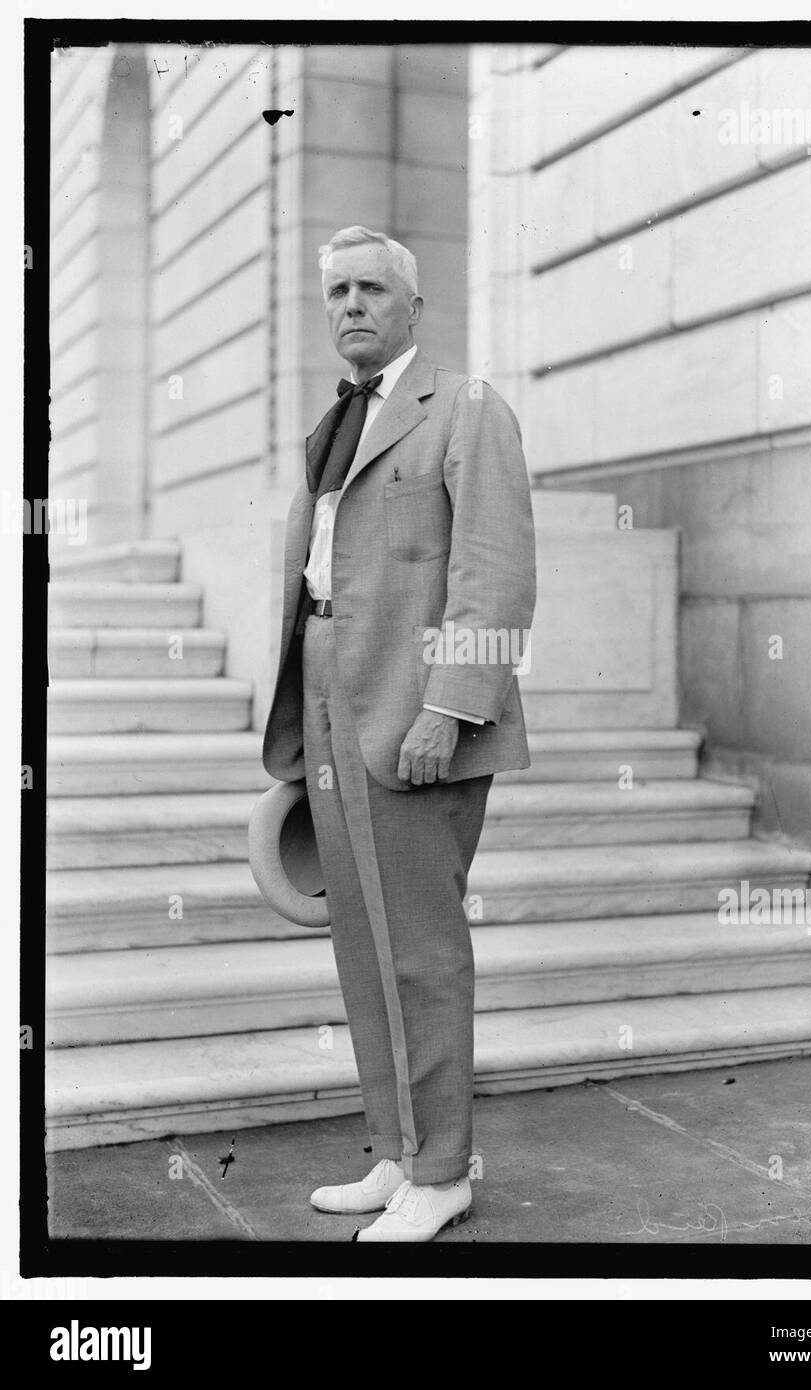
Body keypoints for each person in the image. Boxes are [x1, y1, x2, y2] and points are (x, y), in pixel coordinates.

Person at [262, 225, 536, 1241]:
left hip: (418, 705)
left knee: (419, 946)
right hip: (333, 690)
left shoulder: (464, 407)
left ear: (414, 307)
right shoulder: (333, 424)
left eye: (372, 288)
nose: (351, 306)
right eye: (336, 290)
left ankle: (445, 1170)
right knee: (362, 941)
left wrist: (447, 707)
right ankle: (401, 1148)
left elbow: (496, 573)